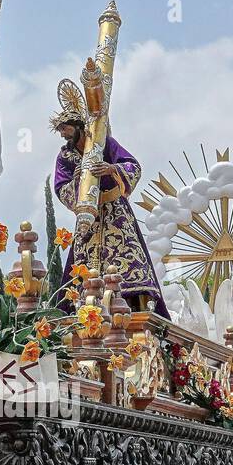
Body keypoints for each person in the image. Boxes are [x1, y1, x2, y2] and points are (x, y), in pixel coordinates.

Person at [51, 95, 168, 314]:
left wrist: (111, 169)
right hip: (89, 217)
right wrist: (77, 181)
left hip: (116, 212)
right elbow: (60, 187)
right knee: (82, 271)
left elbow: (133, 166)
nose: (63, 134)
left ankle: (138, 314)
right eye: (61, 130)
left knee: (131, 266)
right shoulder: (65, 156)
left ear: (78, 127)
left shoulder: (104, 143)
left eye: (66, 129)